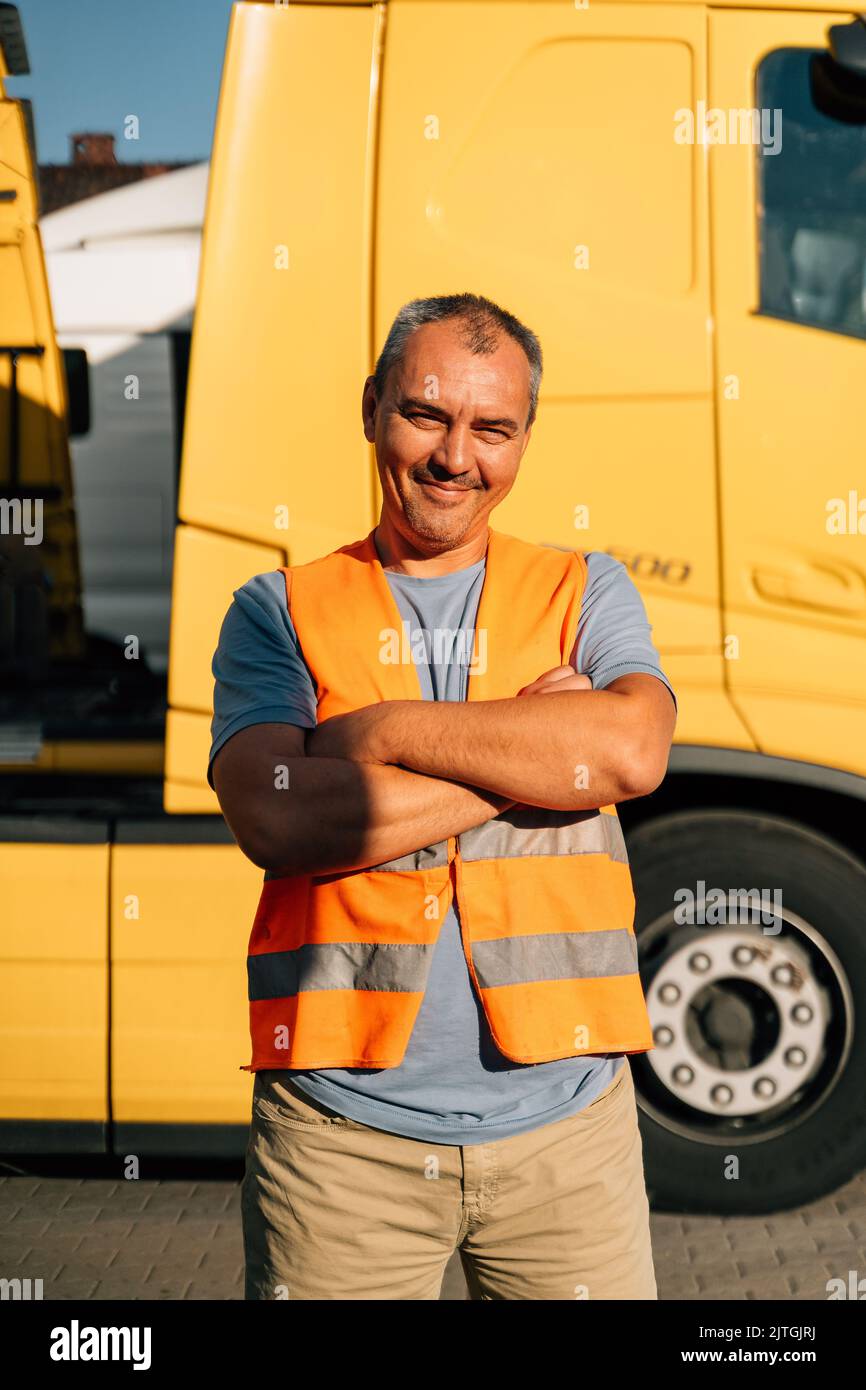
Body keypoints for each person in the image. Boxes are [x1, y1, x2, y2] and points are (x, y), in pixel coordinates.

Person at [209, 292, 677, 1301]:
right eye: (425, 413)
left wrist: (378, 736)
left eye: (490, 428)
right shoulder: (276, 609)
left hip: (569, 1141)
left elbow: (631, 753)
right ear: (373, 405)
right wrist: (535, 755)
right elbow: (276, 815)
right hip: (340, 1150)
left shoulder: (584, 589)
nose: (453, 456)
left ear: (521, 438)